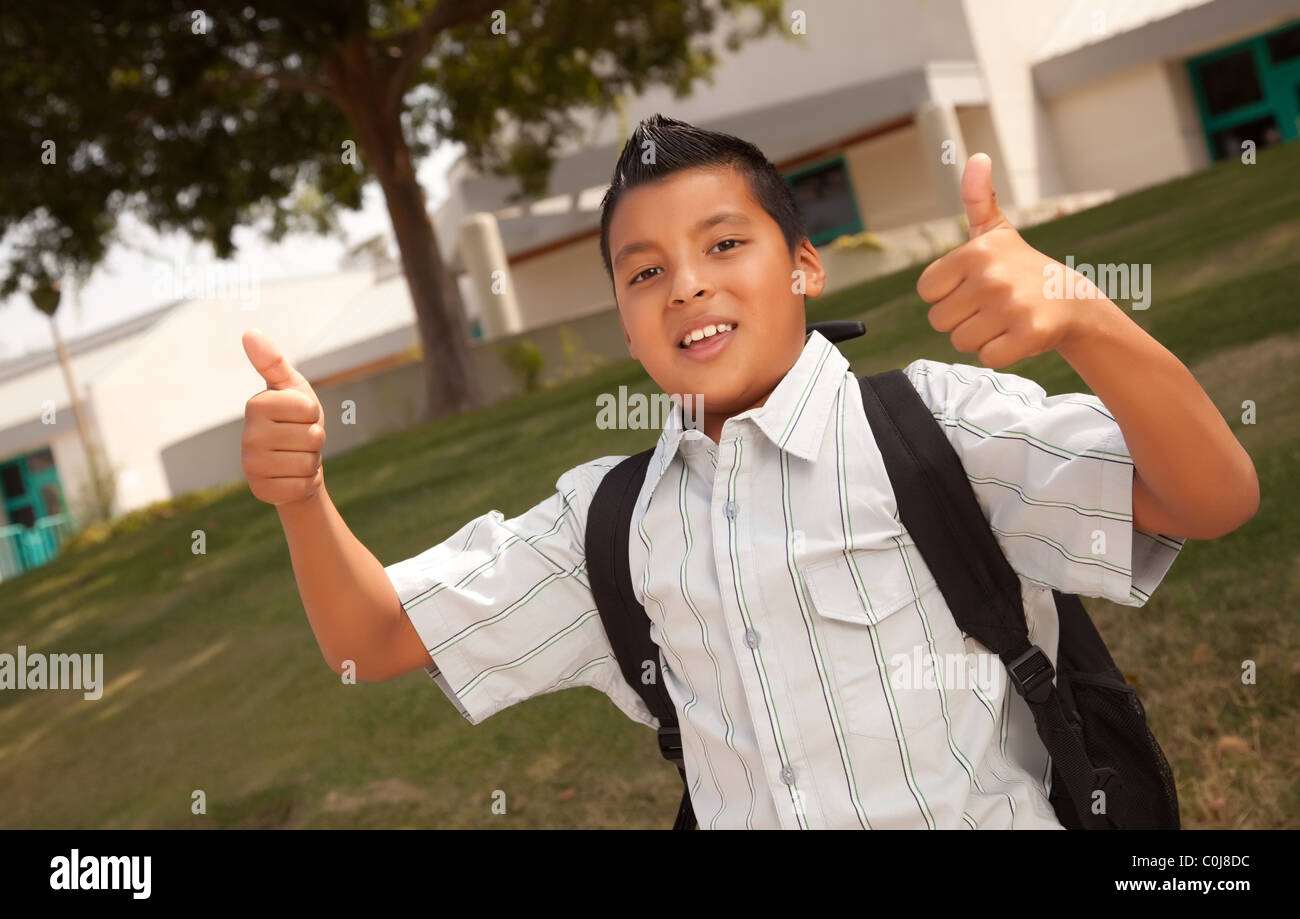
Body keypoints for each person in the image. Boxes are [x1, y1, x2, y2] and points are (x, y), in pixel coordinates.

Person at [239, 114, 1259, 828]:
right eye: (643, 272)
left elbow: (1209, 499)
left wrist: (1083, 315)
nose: (685, 284)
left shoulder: (933, 428)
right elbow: (366, 638)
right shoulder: (607, 522)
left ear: (804, 266)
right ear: (626, 325)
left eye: (724, 243)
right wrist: (301, 497)